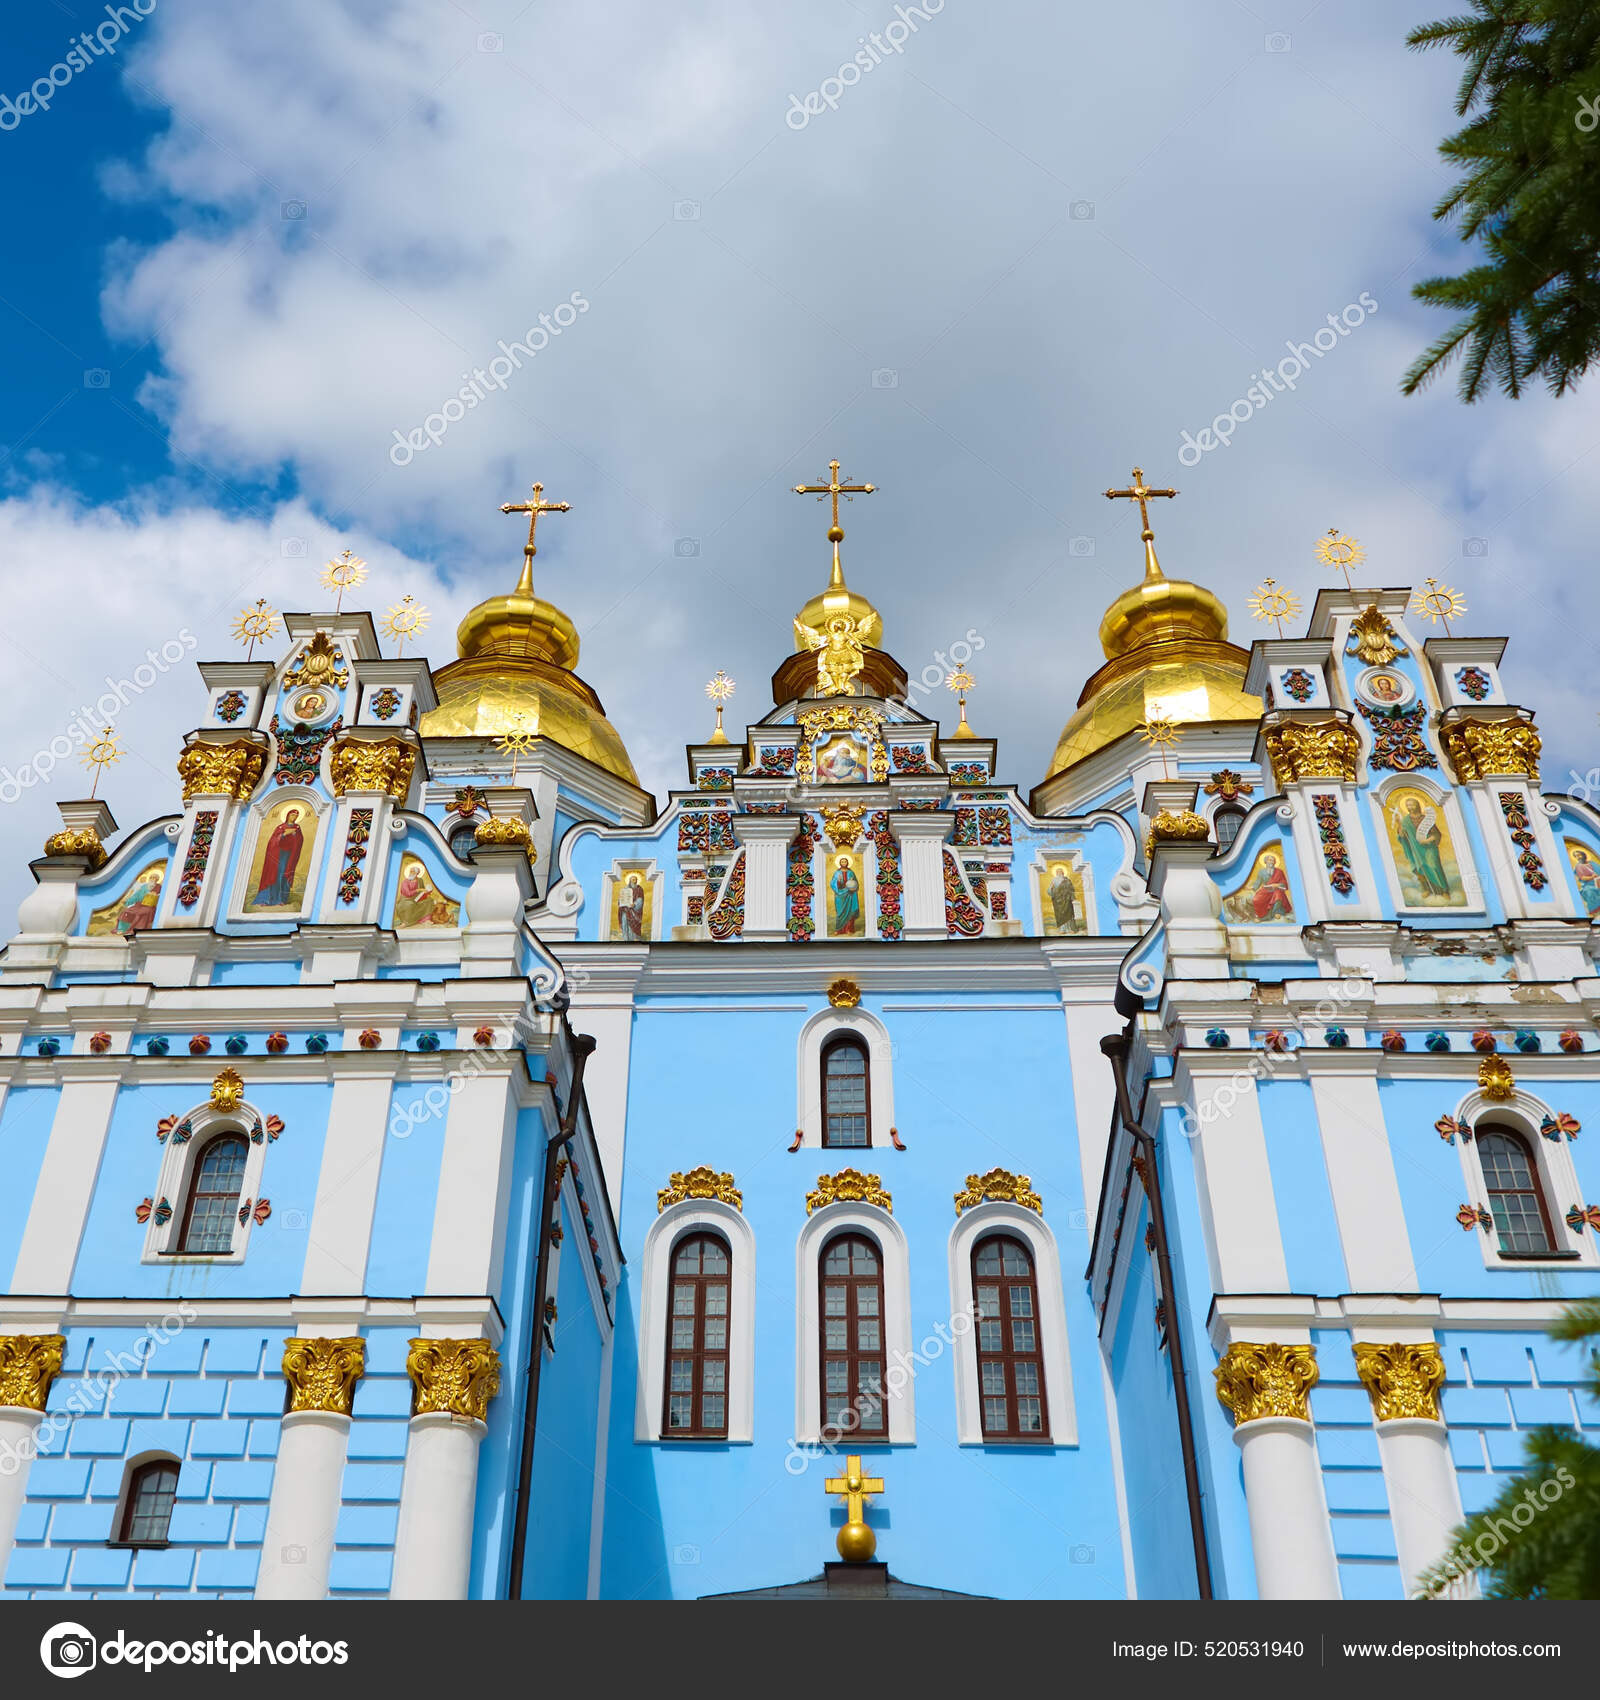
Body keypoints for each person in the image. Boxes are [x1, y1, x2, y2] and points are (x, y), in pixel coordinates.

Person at [1392, 795, 1451, 900]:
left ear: (1417, 805)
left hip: (1429, 848)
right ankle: (1426, 889)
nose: (1410, 807)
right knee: (1419, 869)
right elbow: (1402, 836)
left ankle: (1444, 890)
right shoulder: (1406, 821)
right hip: (1416, 850)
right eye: (1407, 805)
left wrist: (1426, 840)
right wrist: (1398, 823)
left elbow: (1436, 834)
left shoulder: (1426, 819)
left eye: (1412, 804)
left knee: (1434, 866)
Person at [251, 808, 304, 908]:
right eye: (292, 815)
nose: (294, 817)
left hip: (289, 856)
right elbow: (273, 841)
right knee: (274, 875)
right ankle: (267, 899)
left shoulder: (297, 828)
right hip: (277, 855)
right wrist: (284, 834)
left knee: (284, 875)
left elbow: (300, 840)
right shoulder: (280, 827)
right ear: (288, 815)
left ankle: (281, 899)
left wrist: (295, 836)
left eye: (296, 816)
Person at [117, 868, 162, 934]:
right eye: (151, 877)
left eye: (154, 878)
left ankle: (136, 930)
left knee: (141, 913)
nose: (152, 879)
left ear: (157, 879)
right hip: (138, 905)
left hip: (149, 907)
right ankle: (122, 929)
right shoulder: (144, 886)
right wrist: (127, 901)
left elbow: (159, 896)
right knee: (126, 911)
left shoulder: (159, 887)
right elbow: (136, 896)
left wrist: (154, 895)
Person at [830, 856, 861, 934]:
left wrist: (852, 883)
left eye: (845, 861)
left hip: (850, 894)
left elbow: (856, 883)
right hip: (840, 895)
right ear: (840, 863)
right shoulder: (837, 873)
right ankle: (839, 930)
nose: (844, 863)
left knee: (850, 912)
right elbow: (833, 883)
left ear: (847, 863)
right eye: (842, 861)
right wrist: (838, 881)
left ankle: (849, 929)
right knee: (840, 912)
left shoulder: (851, 872)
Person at [1047, 863, 1077, 933]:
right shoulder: (1054, 880)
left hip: (1067, 900)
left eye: (1061, 871)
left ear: (1063, 873)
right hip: (1058, 901)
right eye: (1058, 872)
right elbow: (1049, 890)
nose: (1060, 873)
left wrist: (1072, 897)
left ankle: (1070, 929)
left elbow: (1071, 889)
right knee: (1061, 915)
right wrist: (1051, 890)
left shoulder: (1067, 880)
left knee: (1069, 914)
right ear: (1056, 873)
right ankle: (1062, 929)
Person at [617, 873, 646, 941]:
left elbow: (640, 899)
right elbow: (621, 899)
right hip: (625, 910)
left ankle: (632, 939)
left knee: (632, 925)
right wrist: (621, 901)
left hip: (634, 911)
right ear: (630, 880)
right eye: (633, 879)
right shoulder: (625, 889)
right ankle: (625, 939)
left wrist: (635, 904)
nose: (634, 881)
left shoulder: (639, 889)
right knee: (625, 923)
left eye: (635, 880)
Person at [1571, 846, 1600, 914]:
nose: (1578, 857)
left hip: (1598, 881)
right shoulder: (1579, 866)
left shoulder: (1592, 863)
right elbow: (1582, 877)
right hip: (1588, 884)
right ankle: (1595, 910)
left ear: (1583, 854)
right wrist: (1592, 877)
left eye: (1579, 855)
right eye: (1576, 856)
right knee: (1589, 891)